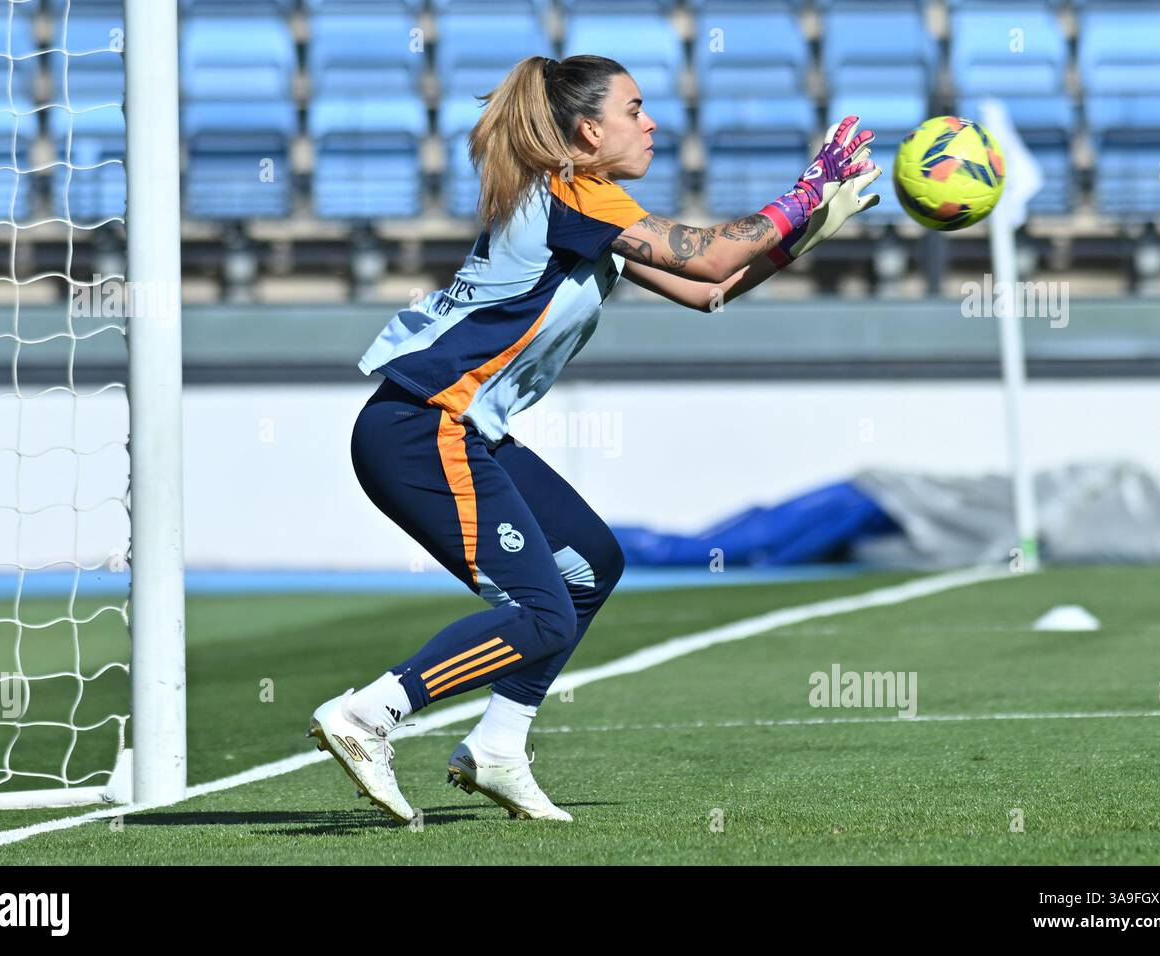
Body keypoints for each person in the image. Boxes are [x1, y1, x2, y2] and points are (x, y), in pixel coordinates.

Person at [308, 54, 881, 823]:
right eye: (636, 110)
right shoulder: (572, 193)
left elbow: (708, 288)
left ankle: (498, 746)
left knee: (593, 566)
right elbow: (710, 253)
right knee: (541, 611)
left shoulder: (588, 205)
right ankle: (371, 714)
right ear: (588, 130)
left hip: (455, 428)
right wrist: (805, 190)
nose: (652, 125)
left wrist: (808, 230)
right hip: (422, 426)